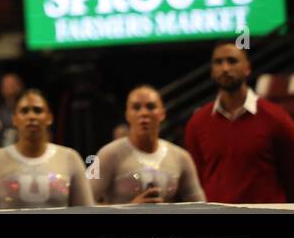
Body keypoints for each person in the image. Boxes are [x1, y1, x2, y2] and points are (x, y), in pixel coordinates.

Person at [185, 41, 294, 203]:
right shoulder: (197, 122)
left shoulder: (277, 118)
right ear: (212, 71)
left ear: (247, 68)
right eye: (218, 62)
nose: (225, 68)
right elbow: (195, 182)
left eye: (232, 61)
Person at [0, 90, 94, 209]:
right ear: (14, 119)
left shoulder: (70, 157)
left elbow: (87, 211)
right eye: (24, 111)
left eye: (37, 110)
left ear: (49, 118)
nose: (31, 116)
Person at [93, 86, 205, 204]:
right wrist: (129, 210)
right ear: (127, 114)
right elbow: (85, 204)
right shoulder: (106, 154)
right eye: (136, 107)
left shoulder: (181, 157)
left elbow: (200, 207)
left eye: (151, 107)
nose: (144, 113)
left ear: (162, 113)